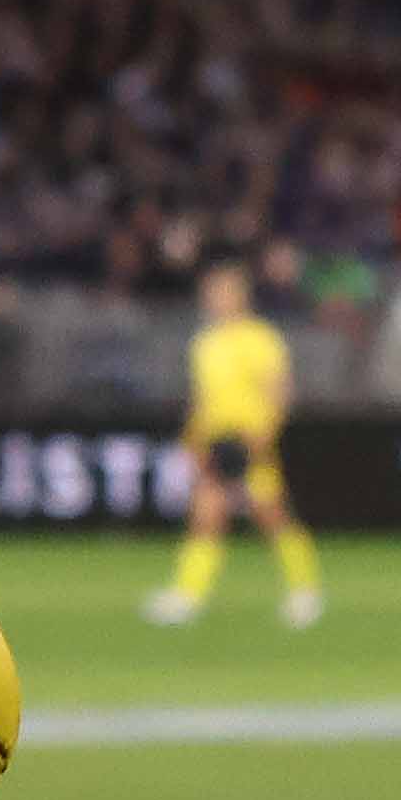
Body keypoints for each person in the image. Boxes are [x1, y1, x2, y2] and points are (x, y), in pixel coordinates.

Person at [144, 256, 322, 629]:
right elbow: (203, 398)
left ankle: (306, 590)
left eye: (222, 292)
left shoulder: (260, 339)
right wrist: (193, 439)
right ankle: (188, 594)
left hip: (249, 441)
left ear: (240, 296)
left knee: (271, 515)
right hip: (216, 441)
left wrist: (262, 436)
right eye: (211, 293)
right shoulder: (205, 344)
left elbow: (278, 392)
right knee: (206, 517)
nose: (215, 300)